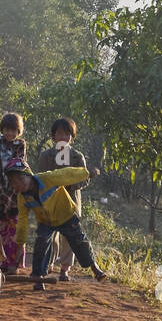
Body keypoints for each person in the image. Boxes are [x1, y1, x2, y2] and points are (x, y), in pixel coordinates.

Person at [4, 156, 108, 291]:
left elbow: (67, 174)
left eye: (20, 179)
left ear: (29, 174)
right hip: (45, 222)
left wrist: (86, 173)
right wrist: (20, 243)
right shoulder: (22, 197)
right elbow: (22, 220)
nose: (18, 184)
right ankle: (38, 277)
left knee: (79, 241)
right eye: (14, 182)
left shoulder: (47, 179)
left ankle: (95, 268)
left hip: (66, 215)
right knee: (41, 245)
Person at [36, 117, 98, 281]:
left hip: (70, 203)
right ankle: (48, 265)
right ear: (53, 136)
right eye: (60, 134)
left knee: (69, 238)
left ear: (72, 137)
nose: (63, 137)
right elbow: (40, 179)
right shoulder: (45, 156)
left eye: (67, 134)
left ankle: (64, 269)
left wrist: (67, 185)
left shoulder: (77, 157)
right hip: (50, 203)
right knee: (50, 237)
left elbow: (84, 179)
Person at [0, 113, 27, 272]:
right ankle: (2, 262)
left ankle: (14, 264)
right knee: (3, 228)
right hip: (0, 194)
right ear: (2, 129)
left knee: (16, 227)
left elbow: (18, 169)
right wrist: (2, 195)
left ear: (18, 131)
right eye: (7, 130)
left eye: (14, 130)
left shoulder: (20, 145)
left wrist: (11, 193)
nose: (10, 133)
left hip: (17, 193)